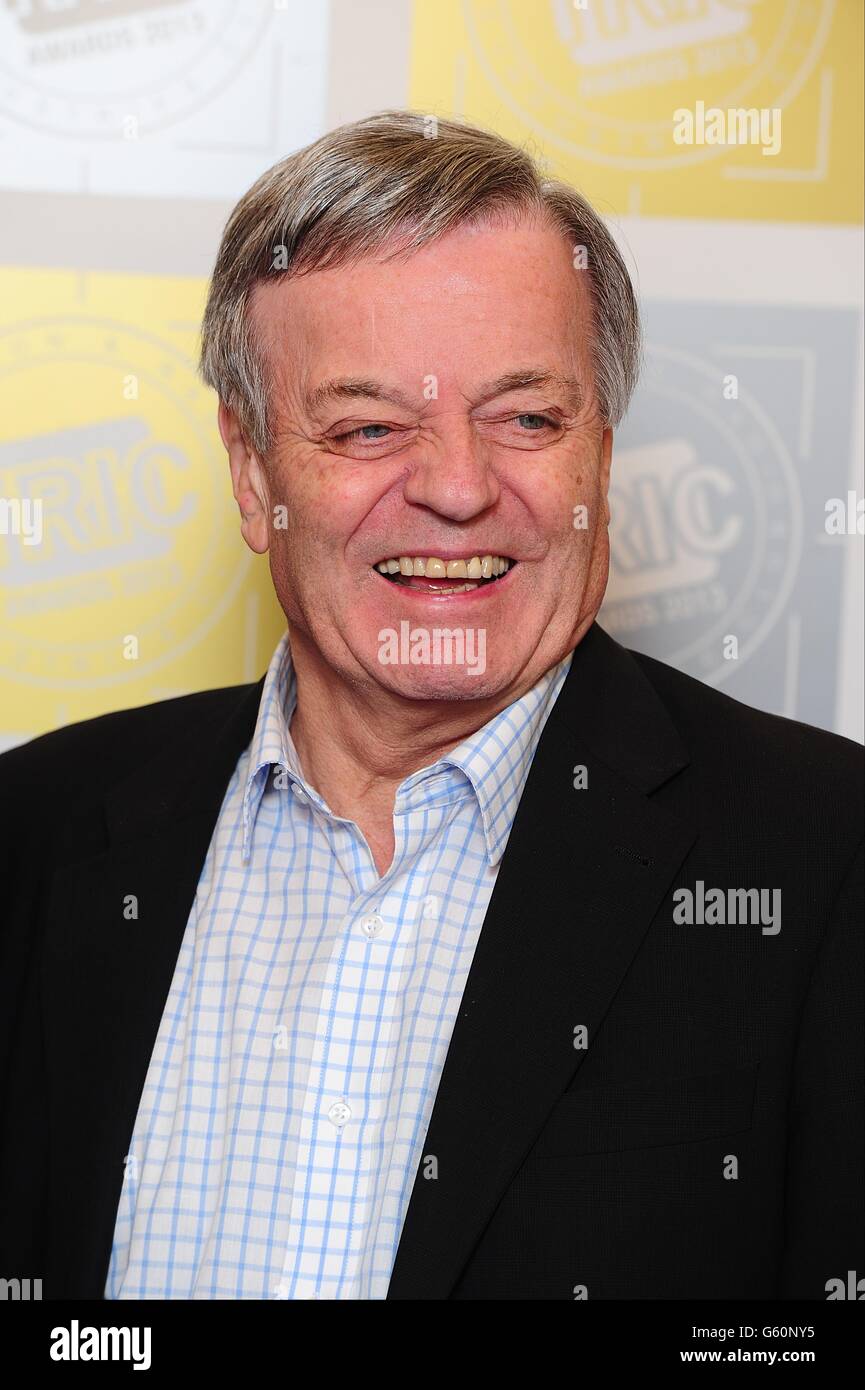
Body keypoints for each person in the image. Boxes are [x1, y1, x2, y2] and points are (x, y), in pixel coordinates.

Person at [0, 111, 861, 1301]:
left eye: (526, 418)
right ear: (254, 476)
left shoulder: (828, 860)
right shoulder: (34, 831)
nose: (458, 488)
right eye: (367, 427)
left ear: (599, 456)